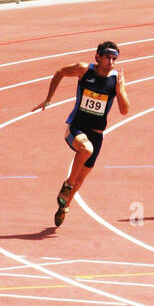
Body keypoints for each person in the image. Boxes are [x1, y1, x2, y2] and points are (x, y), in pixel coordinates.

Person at [34, 40, 130, 227]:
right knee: (86, 149)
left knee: (81, 179)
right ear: (98, 57)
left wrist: (119, 91)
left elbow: (125, 110)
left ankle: (64, 206)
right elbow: (60, 72)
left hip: (97, 133)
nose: (111, 62)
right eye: (107, 58)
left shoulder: (116, 79)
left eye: (114, 59)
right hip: (76, 128)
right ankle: (67, 186)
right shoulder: (83, 70)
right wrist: (49, 98)